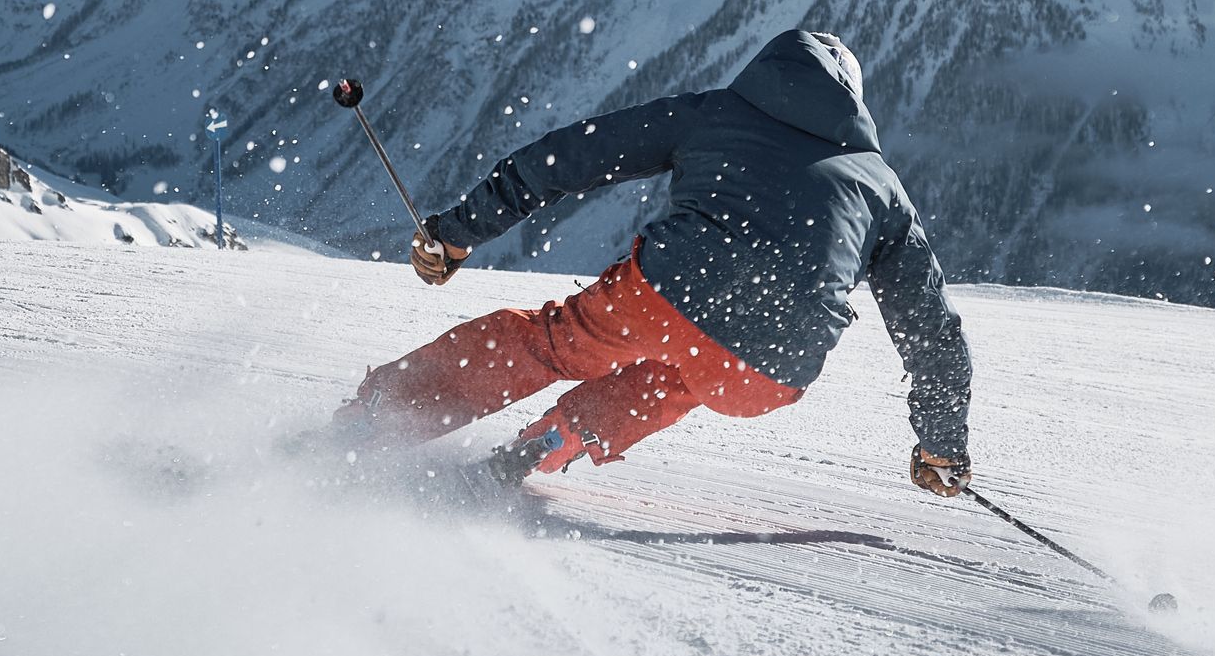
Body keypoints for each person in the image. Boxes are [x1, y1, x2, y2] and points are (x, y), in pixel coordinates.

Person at [333, 28, 975, 494]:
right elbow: (935, 336)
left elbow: (568, 157)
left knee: (547, 344)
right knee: (685, 376)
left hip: (667, 292)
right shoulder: (883, 188)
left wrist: (456, 234)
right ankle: (563, 435)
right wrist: (942, 446)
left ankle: (379, 418)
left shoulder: (716, 115)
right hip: (775, 369)